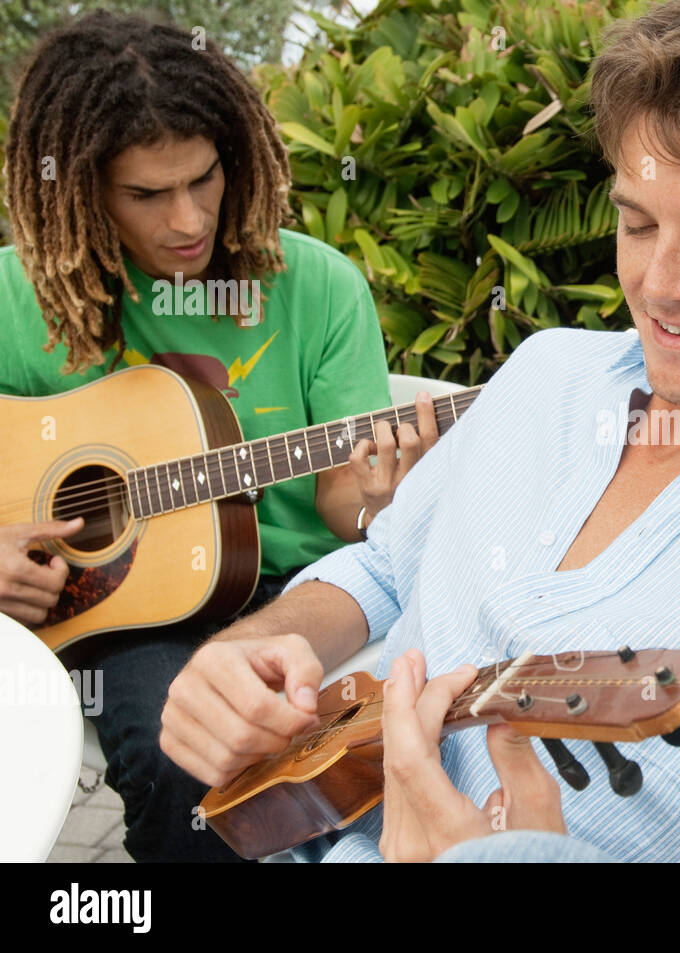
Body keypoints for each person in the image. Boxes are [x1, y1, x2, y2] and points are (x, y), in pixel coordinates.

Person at [161, 0, 680, 863]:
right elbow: (388, 563)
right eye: (638, 222)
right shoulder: (546, 374)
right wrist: (250, 653)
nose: (660, 285)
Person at [0, 11, 437, 861]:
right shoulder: (22, 293)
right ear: (78, 190)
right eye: (147, 194)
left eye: (204, 179)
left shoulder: (318, 287)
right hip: (124, 612)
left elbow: (348, 513)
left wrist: (380, 500)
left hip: (293, 593)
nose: (188, 219)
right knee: (178, 752)